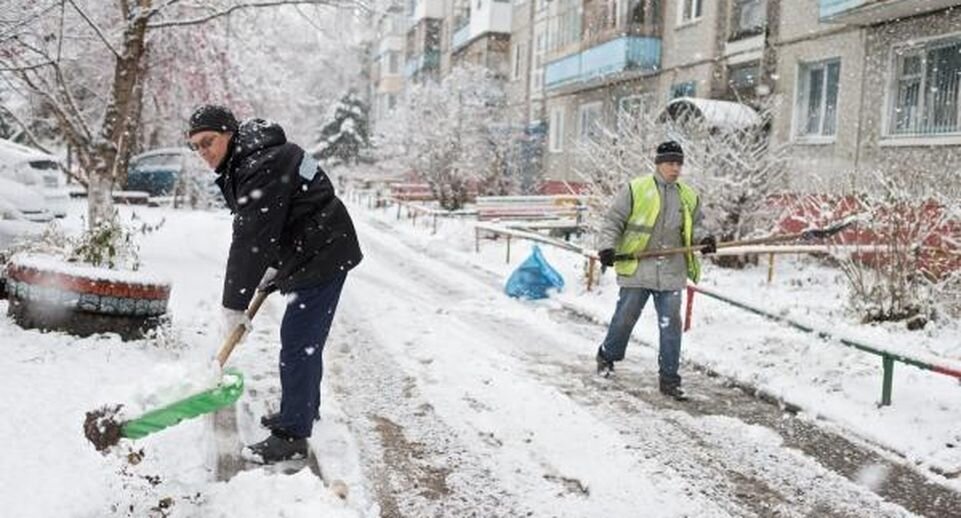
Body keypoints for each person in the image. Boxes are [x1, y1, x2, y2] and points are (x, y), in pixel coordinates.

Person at [187, 104, 363, 463]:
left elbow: (251, 237)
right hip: (308, 250)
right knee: (303, 341)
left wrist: (233, 305)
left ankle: (292, 435)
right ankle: (303, 409)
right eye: (197, 147)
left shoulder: (259, 165)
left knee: (299, 342)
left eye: (209, 142)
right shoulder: (249, 159)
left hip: (323, 253)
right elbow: (270, 225)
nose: (204, 152)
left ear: (229, 133)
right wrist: (272, 268)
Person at [595, 141, 715, 401]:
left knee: (671, 325)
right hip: (639, 266)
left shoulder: (688, 195)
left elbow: (697, 226)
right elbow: (613, 221)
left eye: (679, 164)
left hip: (671, 270)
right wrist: (607, 247)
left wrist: (705, 239)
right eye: (671, 163)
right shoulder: (636, 189)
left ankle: (670, 379)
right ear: (659, 164)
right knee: (625, 317)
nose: (675, 169)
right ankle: (607, 355)